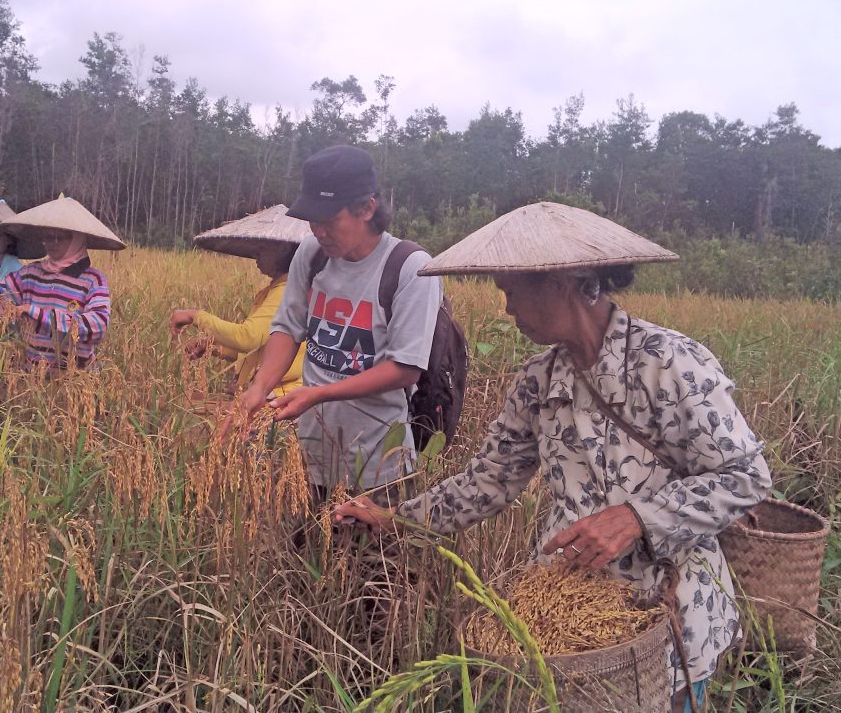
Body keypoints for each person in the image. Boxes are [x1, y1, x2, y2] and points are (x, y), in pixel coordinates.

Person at [334, 201, 772, 711]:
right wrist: (396, 518)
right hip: (565, 614)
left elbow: (746, 476)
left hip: (670, 613)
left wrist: (637, 517)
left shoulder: (670, 364)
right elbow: (488, 481)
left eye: (512, 292)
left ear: (560, 284)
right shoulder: (537, 381)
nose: (508, 310)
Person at [230, 145, 443, 503]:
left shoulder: (410, 267)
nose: (319, 231)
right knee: (303, 553)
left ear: (367, 208)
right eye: (313, 220)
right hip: (312, 455)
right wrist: (258, 388)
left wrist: (319, 394)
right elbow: (288, 327)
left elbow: (405, 369)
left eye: (329, 220)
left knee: (370, 559)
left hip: (380, 463)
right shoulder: (311, 254)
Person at [0, 195, 124, 371]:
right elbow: (0, 289)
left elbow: (98, 326)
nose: (53, 243)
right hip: (30, 376)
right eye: (48, 236)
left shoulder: (92, 280)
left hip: (73, 381)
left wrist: (38, 314)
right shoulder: (31, 273)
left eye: (62, 236)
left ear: (78, 239)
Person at [170, 241, 305, 395]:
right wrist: (212, 347)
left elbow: (248, 337)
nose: (256, 254)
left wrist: (195, 316)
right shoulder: (276, 289)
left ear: (285, 249)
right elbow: (257, 349)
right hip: (264, 393)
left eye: (263, 248)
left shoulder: (285, 292)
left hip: (278, 394)